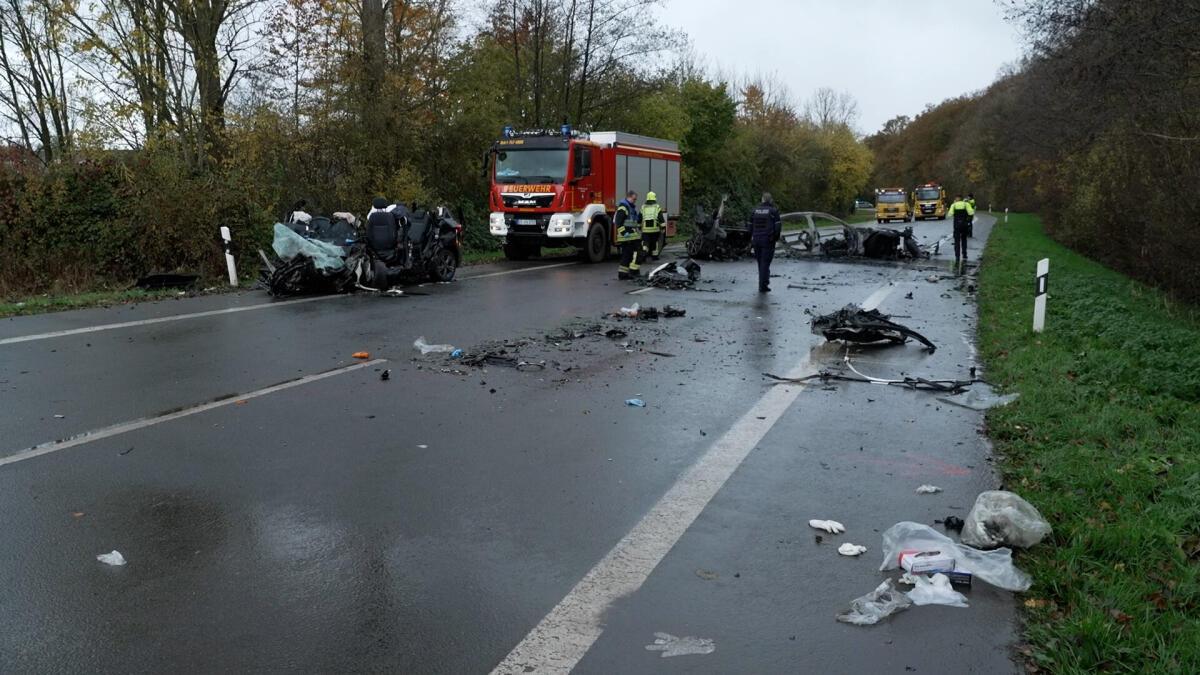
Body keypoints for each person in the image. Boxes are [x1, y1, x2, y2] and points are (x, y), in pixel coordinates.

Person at [750, 192, 782, 293]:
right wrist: (774, 238)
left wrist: (752, 237)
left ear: (762, 200)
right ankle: (763, 286)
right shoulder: (773, 211)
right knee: (765, 263)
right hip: (767, 241)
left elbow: (749, 226)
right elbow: (778, 227)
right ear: (770, 200)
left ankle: (762, 283)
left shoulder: (754, 211)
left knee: (760, 263)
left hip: (756, 240)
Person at [615, 191, 641, 280]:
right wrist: (624, 233)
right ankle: (623, 274)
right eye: (634, 199)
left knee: (630, 255)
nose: (635, 201)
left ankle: (627, 273)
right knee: (627, 256)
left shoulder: (630, 207)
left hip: (631, 236)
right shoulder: (623, 207)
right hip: (626, 237)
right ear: (629, 197)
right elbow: (618, 223)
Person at [948, 194, 975, 264]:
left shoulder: (953, 205)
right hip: (964, 225)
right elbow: (971, 212)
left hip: (956, 225)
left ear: (956, 199)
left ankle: (957, 256)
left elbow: (949, 214)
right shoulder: (966, 204)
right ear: (961, 198)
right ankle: (964, 255)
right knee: (964, 240)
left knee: (956, 241)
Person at [640, 191, 666, 260]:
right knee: (654, 243)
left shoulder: (643, 207)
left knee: (645, 243)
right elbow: (661, 218)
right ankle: (654, 256)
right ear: (654, 198)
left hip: (645, 230)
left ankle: (644, 254)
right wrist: (663, 227)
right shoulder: (657, 207)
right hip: (655, 230)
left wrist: (638, 226)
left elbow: (639, 217)